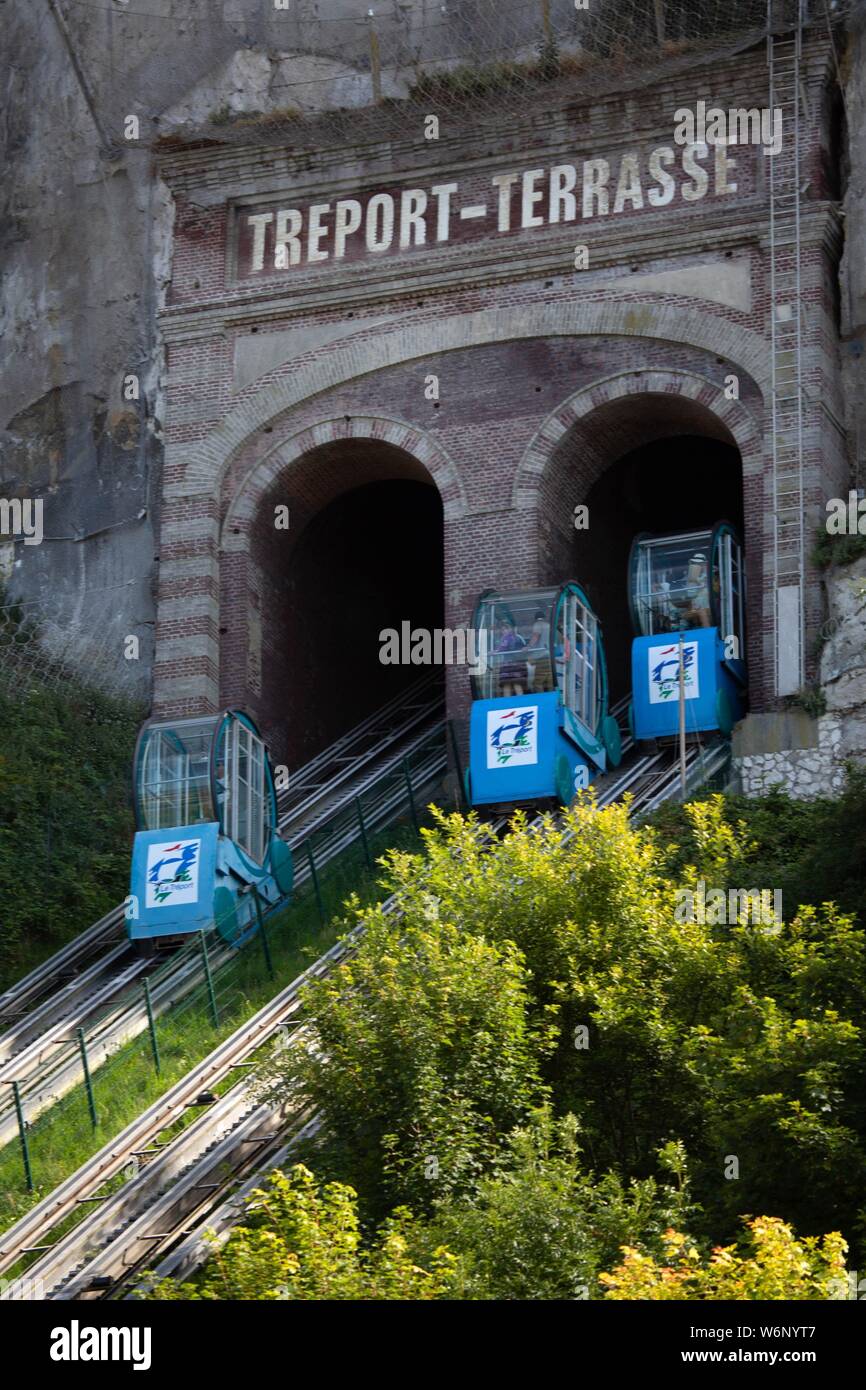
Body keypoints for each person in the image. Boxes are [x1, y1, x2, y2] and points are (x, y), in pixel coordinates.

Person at [494, 619, 528, 696]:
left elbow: (502, 648)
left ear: (510, 629)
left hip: (513, 664)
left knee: (514, 684)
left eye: (506, 629)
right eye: (502, 629)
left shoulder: (513, 637)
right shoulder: (506, 638)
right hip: (509, 664)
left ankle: (516, 702)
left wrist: (494, 652)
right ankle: (513, 702)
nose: (504, 631)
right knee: (508, 685)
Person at [527, 608, 553, 692]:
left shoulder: (538, 624)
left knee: (538, 681)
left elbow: (535, 636)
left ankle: (540, 700)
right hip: (549, 655)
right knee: (549, 680)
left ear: (536, 618)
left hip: (541, 656)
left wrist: (528, 646)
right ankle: (551, 699)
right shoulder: (549, 625)